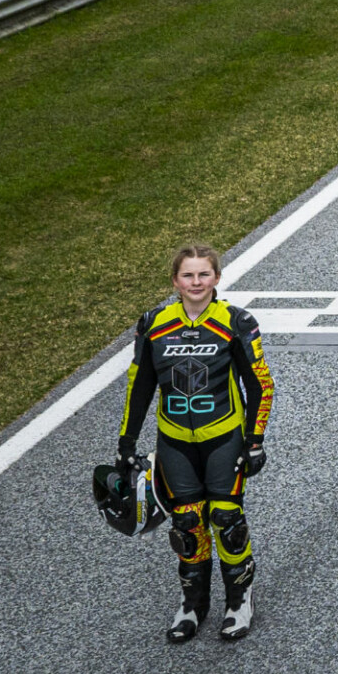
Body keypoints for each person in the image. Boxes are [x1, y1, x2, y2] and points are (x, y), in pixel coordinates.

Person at [117, 244, 273, 644]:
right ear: (175, 281)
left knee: (226, 519)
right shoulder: (153, 323)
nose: (196, 282)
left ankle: (239, 601)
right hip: (174, 443)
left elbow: (260, 385)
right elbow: (140, 386)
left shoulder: (236, 321)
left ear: (217, 278)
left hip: (224, 439)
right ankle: (193, 604)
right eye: (188, 275)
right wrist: (126, 442)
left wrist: (254, 441)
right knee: (187, 523)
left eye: (204, 274)